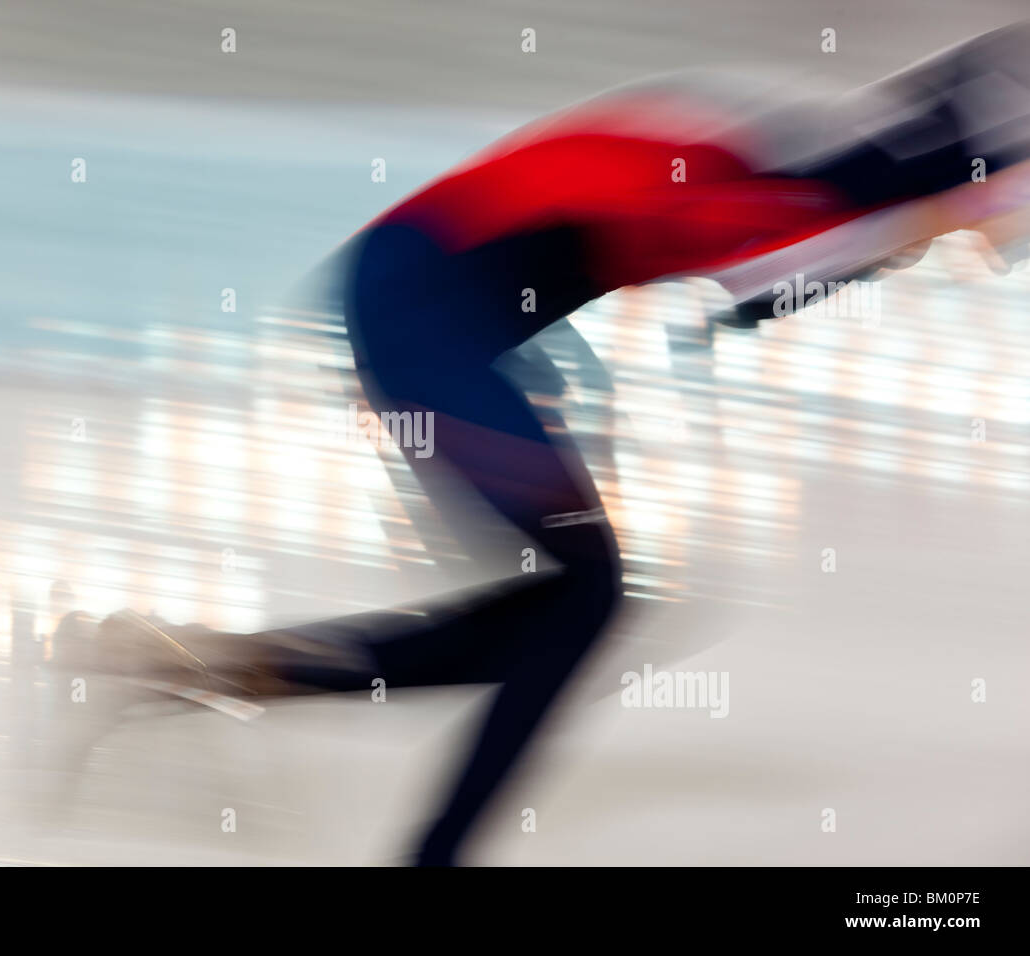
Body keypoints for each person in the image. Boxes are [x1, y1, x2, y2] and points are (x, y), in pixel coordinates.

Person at [85, 22, 1030, 865]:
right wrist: (921, 220)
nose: (992, 245)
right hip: (421, 308)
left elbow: (729, 273)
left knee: (562, 611)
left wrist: (913, 223)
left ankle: (207, 667)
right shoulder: (827, 173)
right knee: (587, 597)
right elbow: (750, 273)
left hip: (461, 313)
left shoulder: (838, 151)